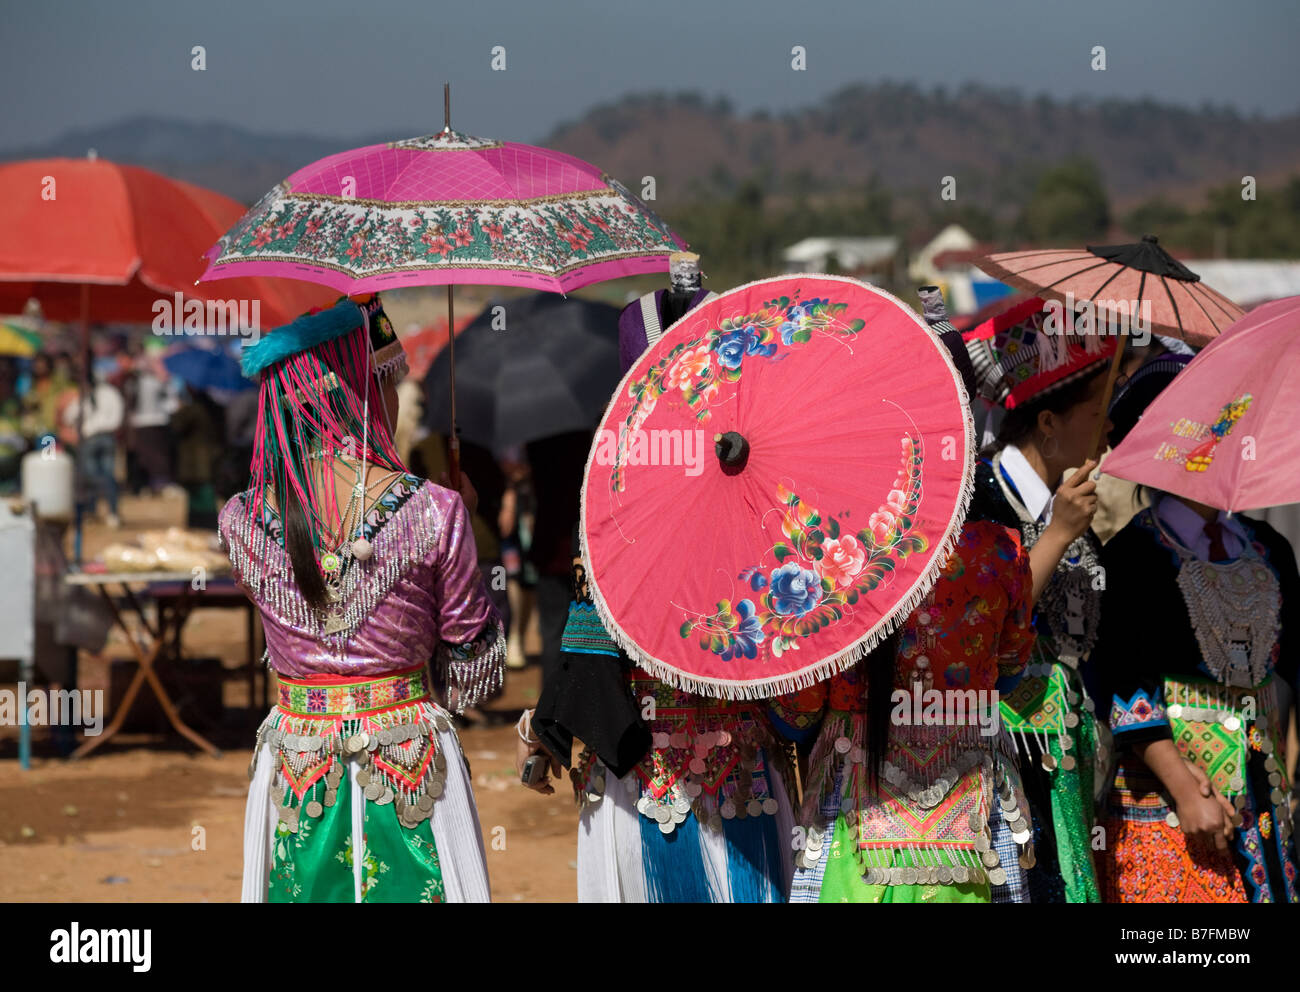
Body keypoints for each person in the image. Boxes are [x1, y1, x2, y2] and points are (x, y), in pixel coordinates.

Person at [219, 293, 505, 903]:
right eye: (384, 380)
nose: (394, 397)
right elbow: (469, 659)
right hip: (408, 763)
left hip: (300, 764)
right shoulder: (433, 508)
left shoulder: (241, 519)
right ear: (357, 391)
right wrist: (464, 523)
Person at [515, 285, 796, 903]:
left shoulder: (614, 504)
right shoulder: (772, 498)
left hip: (645, 776)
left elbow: (590, 655)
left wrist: (549, 731)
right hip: (742, 769)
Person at [777, 311, 1039, 903]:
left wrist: (777, 720)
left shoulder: (836, 550)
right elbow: (1015, 669)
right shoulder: (1000, 550)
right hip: (970, 792)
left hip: (855, 806)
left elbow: (802, 702)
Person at [1093, 363, 1298, 903]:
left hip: (1265, 802)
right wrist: (1185, 789)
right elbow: (1124, 685)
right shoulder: (1132, 556)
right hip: (1167, 797)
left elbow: (1293, 669)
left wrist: (1289, 775)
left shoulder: (1270, 550)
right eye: (1218, 427)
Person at [965, 297, 1116, 902]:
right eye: (1096, 410)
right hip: (1002, 764)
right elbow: (982, 630)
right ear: (1049, 424)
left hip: (1067, 766)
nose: (1109, 427)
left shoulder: (1071, 506)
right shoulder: (980, 503)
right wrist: (1056, 537)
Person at [61, 360, 125, 528]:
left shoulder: (94, 395)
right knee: (104, 476)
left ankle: (102, 511)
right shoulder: (102, 394)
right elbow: (70, 415)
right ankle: (107, 512)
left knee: (95, 477)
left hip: (97, 439)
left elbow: (68, 416)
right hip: (101, 439)